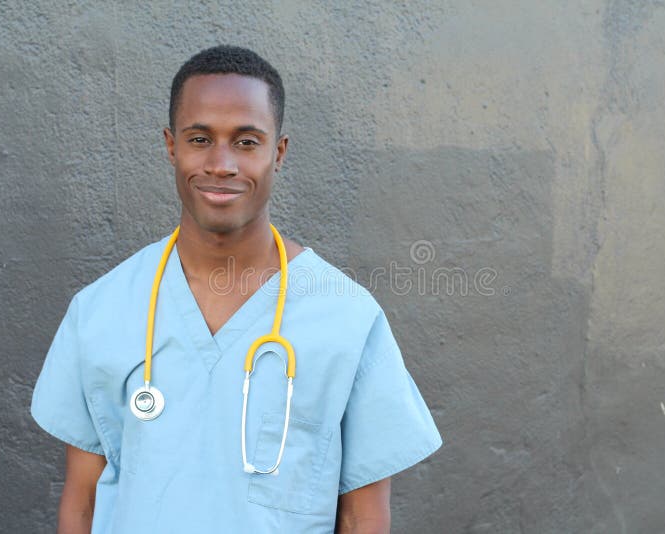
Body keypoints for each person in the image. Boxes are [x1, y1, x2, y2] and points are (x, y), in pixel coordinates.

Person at [31, 44, 441, 533]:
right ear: (171, 146)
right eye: (200, 139)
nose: (221, 163)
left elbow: (362, 517)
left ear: (278, 152)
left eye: (246, 142)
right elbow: (82, 503)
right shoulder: (101, 311)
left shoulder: (348, 319)